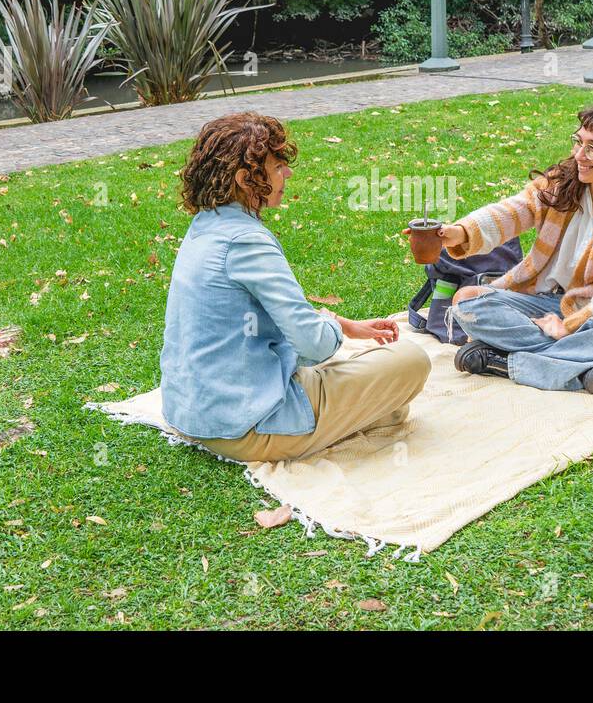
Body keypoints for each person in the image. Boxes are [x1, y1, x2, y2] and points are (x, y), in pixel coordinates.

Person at [160, 111, 430, 461]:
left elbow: (246, 318)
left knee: (381, 395)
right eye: (276, 168)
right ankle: (358, 415)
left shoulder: (205, 225)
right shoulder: (247, 241)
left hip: (192, 413)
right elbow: (313, 345)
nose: (287, 174)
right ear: (245, 179)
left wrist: (344, 326)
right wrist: (331, 328)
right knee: (411, 360)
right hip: (246, 428)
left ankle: (365, 410)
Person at [441, 101, 593, 395]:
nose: (580, 155)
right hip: (549, 305)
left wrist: (572, 325)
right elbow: (515, 210)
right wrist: (461, 231)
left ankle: (507, 362)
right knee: (467, 301)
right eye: (579, 142)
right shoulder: (563, 182)